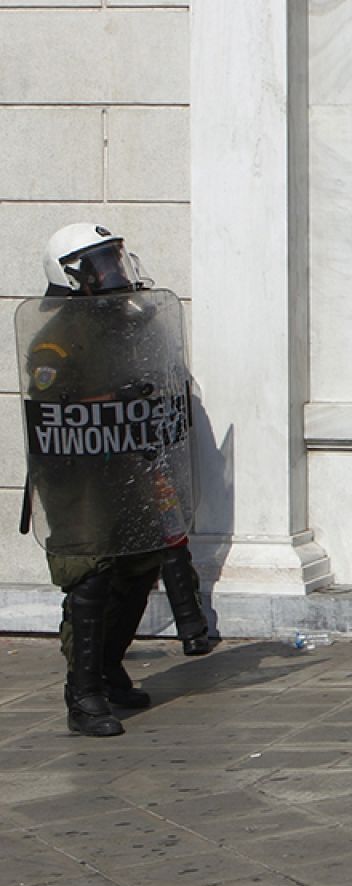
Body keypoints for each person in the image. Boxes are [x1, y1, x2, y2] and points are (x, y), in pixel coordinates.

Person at [23, 224, 187, 736]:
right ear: (72, 276)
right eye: (102, 265)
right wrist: (113, 402)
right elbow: (50, 406)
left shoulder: (127, 323)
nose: (116, 273)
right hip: (76, 478)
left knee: (139, 565)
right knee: (89, 577)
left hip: (126, 466)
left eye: (116, 260)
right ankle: (84, 693)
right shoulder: (57, 339)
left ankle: (110, 668)